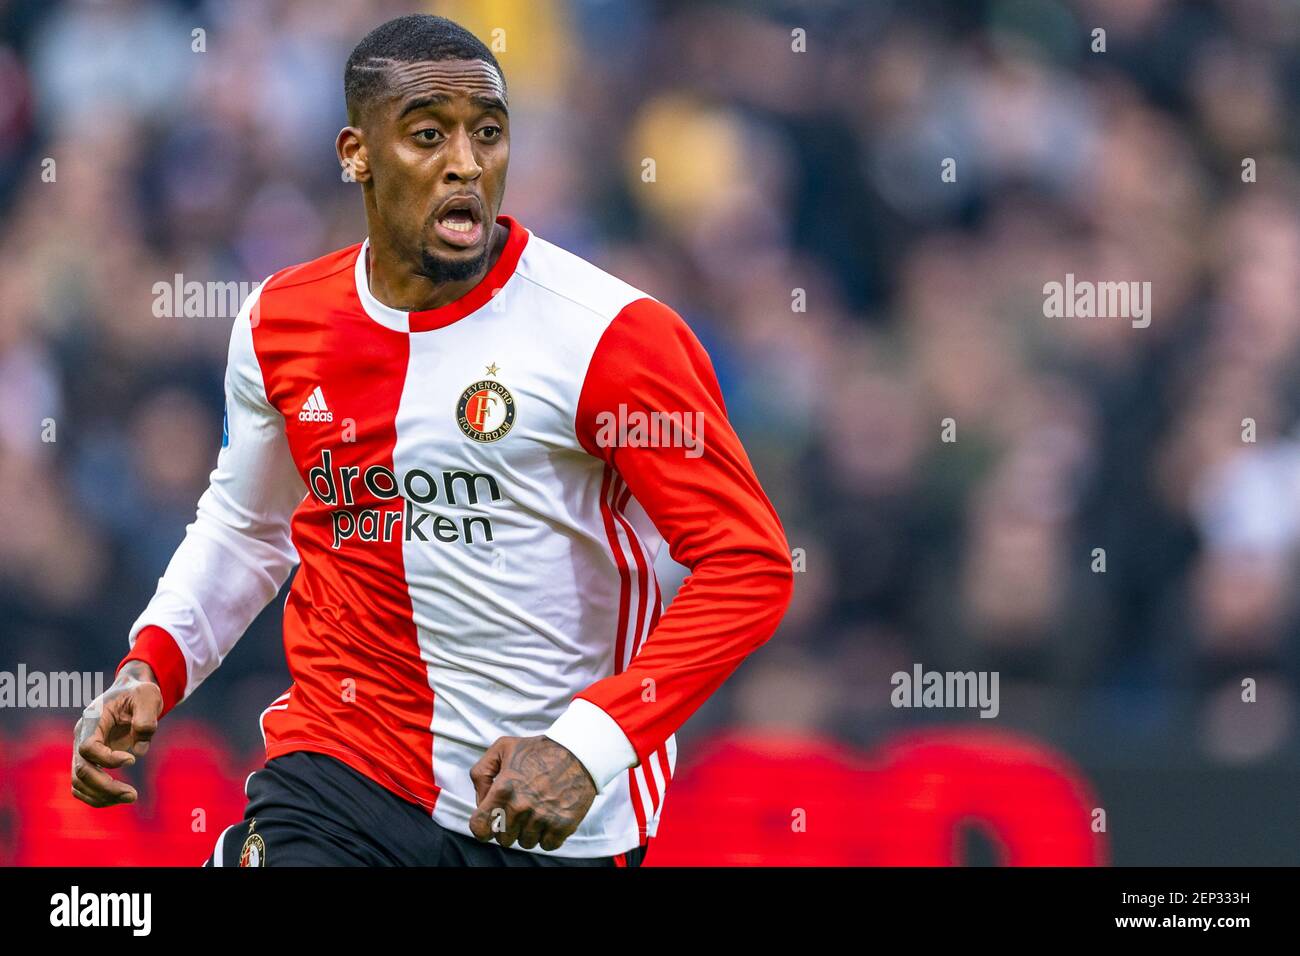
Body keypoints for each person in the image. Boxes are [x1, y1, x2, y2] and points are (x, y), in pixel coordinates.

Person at [70, 13, 793, 867]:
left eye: (488, 134)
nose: (465, 162)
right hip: (338, 774)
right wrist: (153, 662)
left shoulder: (613, 337)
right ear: (356, 153)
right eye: (427, 134)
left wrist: (590, 746)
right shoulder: (281, 324)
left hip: (545, 814)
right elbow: (247, 524)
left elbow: (748, 564)